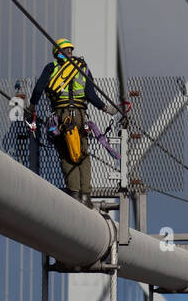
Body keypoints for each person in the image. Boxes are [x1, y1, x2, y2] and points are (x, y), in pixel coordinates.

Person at [26, 39, 119, 205]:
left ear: (56, 53)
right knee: (82, 154)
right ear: (70, 50)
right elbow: (91, 95)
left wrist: (32, 107)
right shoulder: (82, 67)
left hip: (61, 117)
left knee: (66, 153)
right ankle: (86, 195)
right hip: (80, 116)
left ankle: (74, 194)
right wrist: (106, 108)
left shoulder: (52, 67)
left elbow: (39, 88)